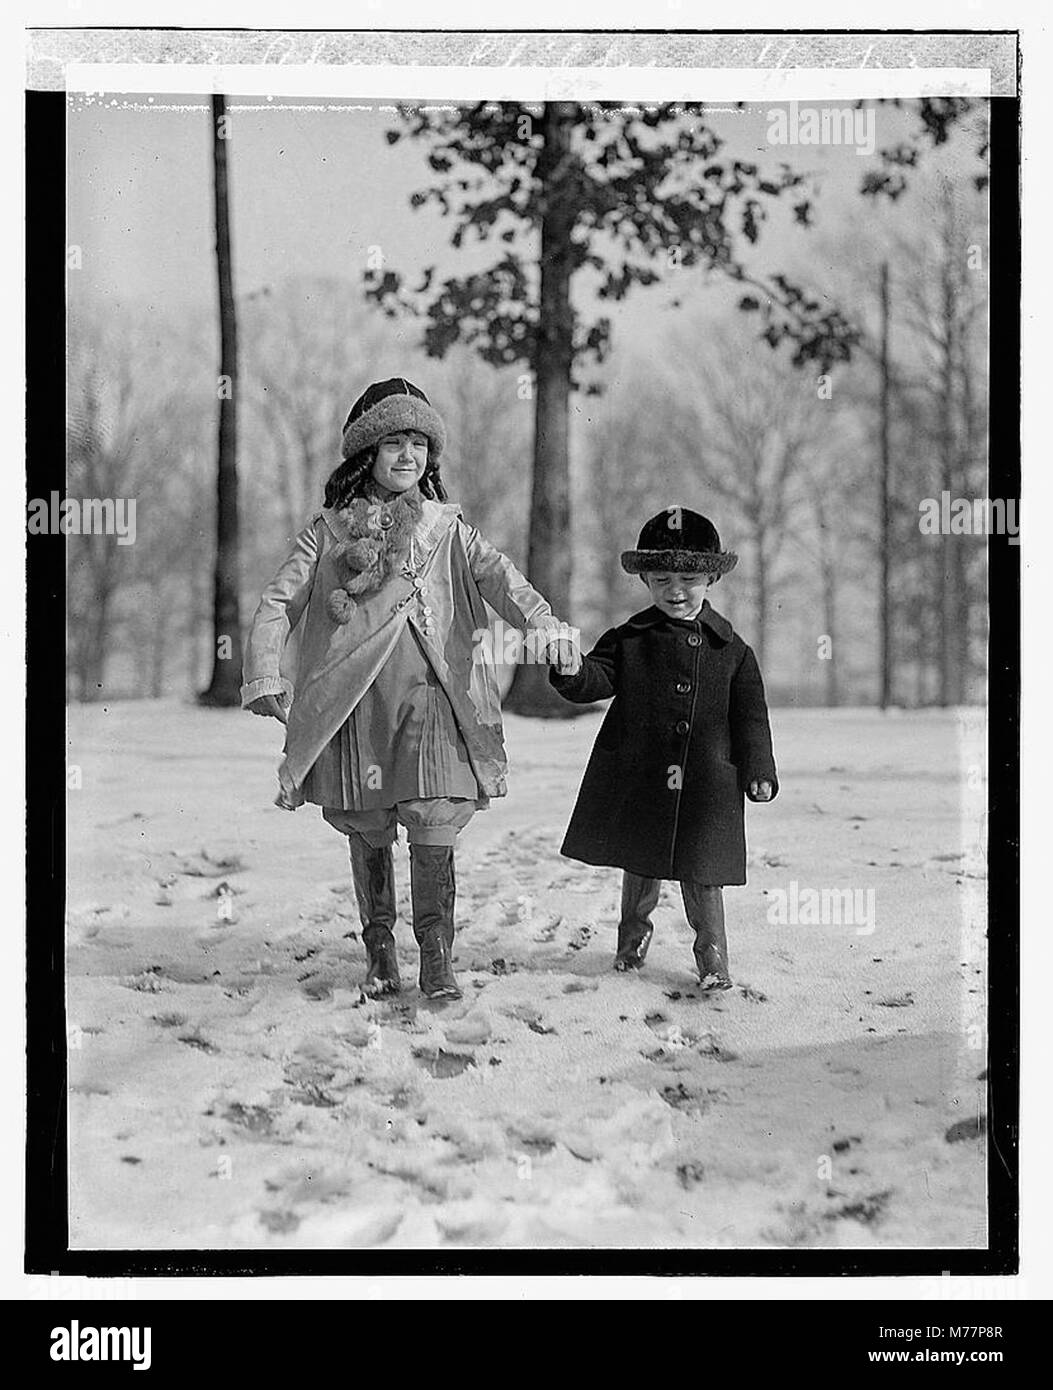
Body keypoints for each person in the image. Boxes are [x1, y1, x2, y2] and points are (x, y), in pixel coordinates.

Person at [242, 377, 579, 1001]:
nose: (407, 456)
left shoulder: (449, 530)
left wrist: (548, 630)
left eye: (419, 443)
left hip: (434, 699)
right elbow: (277, 602)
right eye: (392, 442)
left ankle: (437, 956)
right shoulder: (328, 533)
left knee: (433, 823)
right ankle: (378, 948)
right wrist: (265, 669)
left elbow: (506, 582)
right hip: (357, 704)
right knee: (371, 827)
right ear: (365, 453)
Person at [550, 506, 777, 991]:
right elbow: (594, 680)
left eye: (688, 578)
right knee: (640, 863)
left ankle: (712, 958)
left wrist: (759, 769)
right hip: (643, 776)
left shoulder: (733, 651)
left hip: (707, 785)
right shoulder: (630, 640)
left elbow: (752, 719)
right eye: (661, 579)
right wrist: (570, 667)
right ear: (646, 581)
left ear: (712, 577)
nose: (675, 590)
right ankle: (630, 946)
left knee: (703, 874)